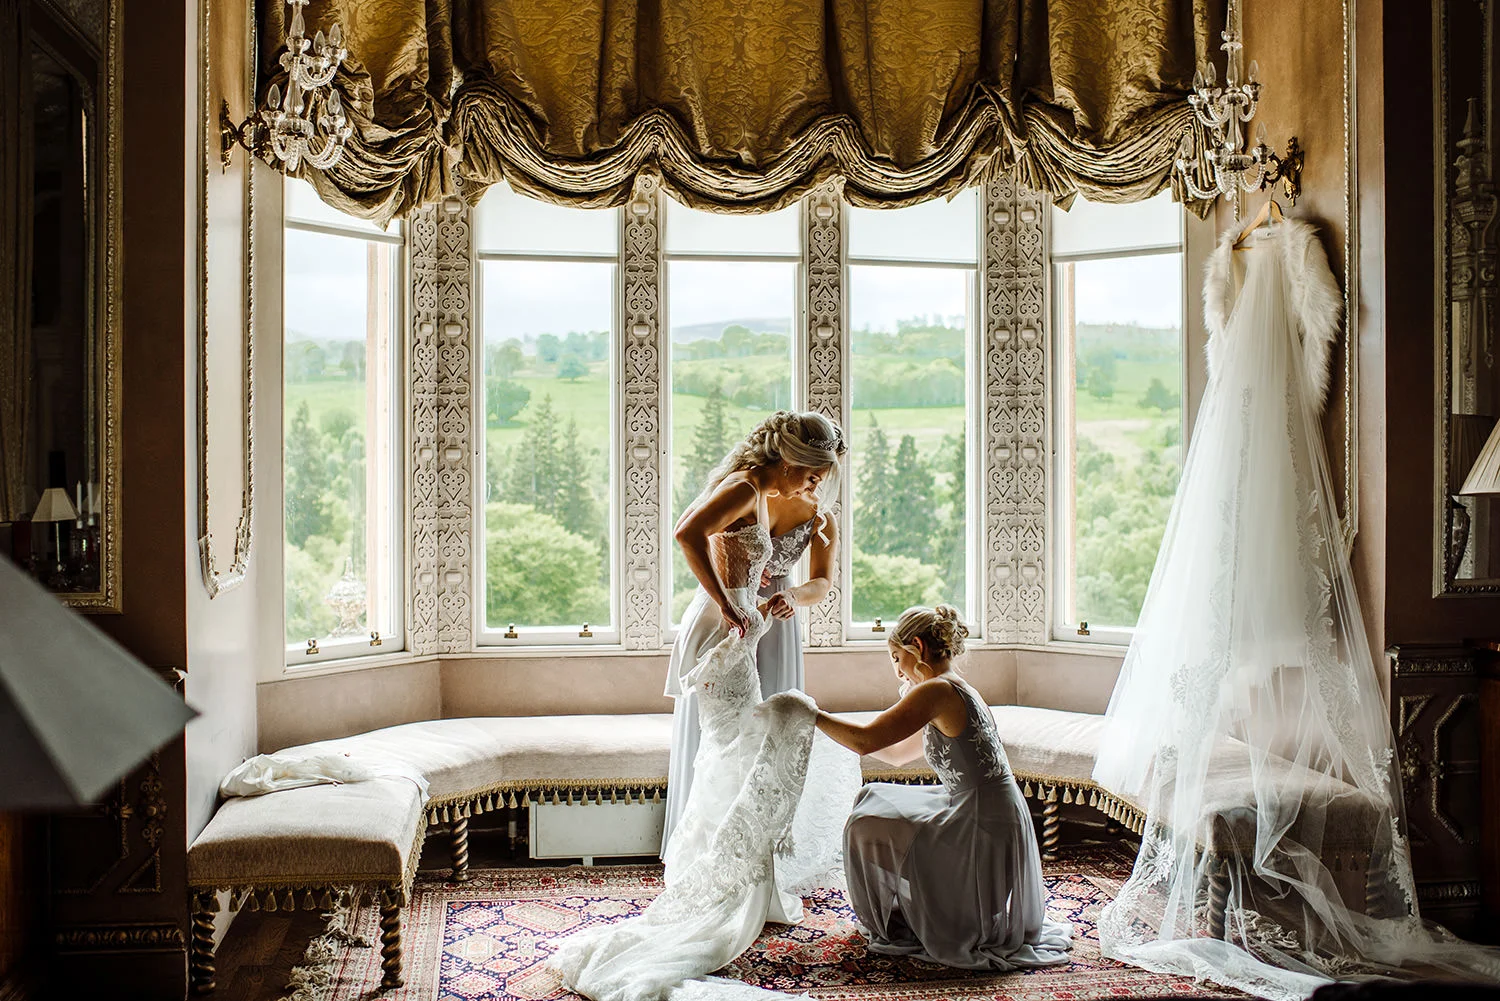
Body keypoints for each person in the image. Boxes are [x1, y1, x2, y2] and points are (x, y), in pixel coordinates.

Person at [814, 605, 1073, 970]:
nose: (897, 669)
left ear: (917, 647)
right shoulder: (953, 687)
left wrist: (812, 714)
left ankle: (910, 914)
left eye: (896, 657)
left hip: (981, 822)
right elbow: (896, 755)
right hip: (992, 811)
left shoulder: (935, 690)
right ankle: (919, 907)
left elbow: (866, 742)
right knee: (873, 798)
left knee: (864, 823)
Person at [660, 410, 845, 857]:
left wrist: (795, 596)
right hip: (735, 614)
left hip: (774, 621)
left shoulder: (818, 515)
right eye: (814, 475)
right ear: (790, 460)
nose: (817, 487)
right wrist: (726, 599)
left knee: (770, 726)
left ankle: (765, 843)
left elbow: (823, 581)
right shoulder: (747, 487)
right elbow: (691, 536)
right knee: (726, 730)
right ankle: (709, 841)